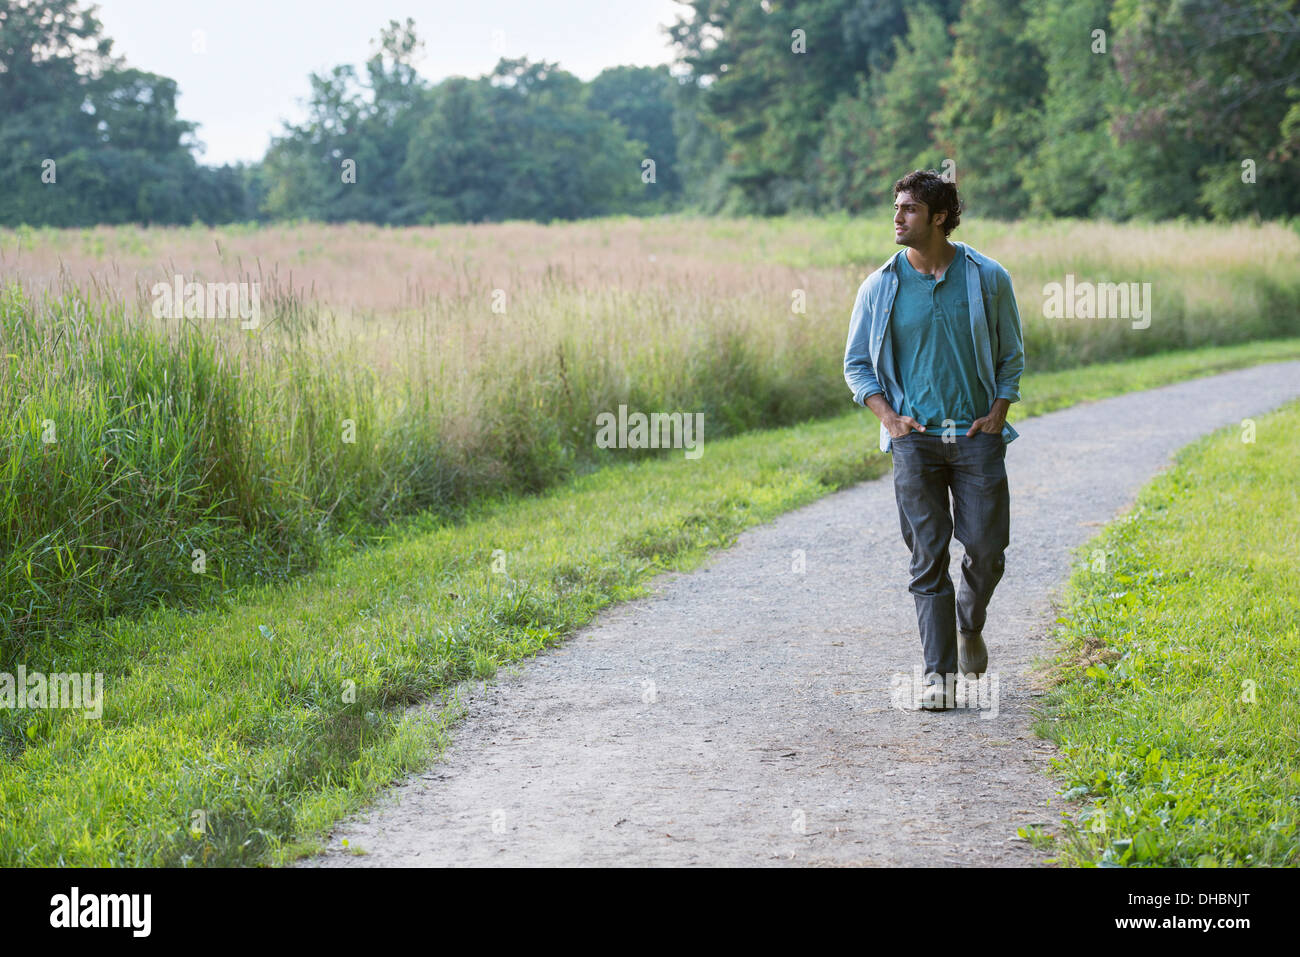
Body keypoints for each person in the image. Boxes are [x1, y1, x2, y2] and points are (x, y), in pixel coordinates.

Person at [843, 169, 1025, 711]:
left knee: (988, 551)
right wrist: (890, 419)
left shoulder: (987, 277)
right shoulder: (880, 286)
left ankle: (970, 623)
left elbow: (1010, 354)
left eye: (909, 209)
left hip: (976, 436)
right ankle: (938, 677)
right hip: (914, 442)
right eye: (896, 208)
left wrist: (997, 411)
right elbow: (857, 365)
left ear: (939, 217)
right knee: (927, 558)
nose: (897, 218)